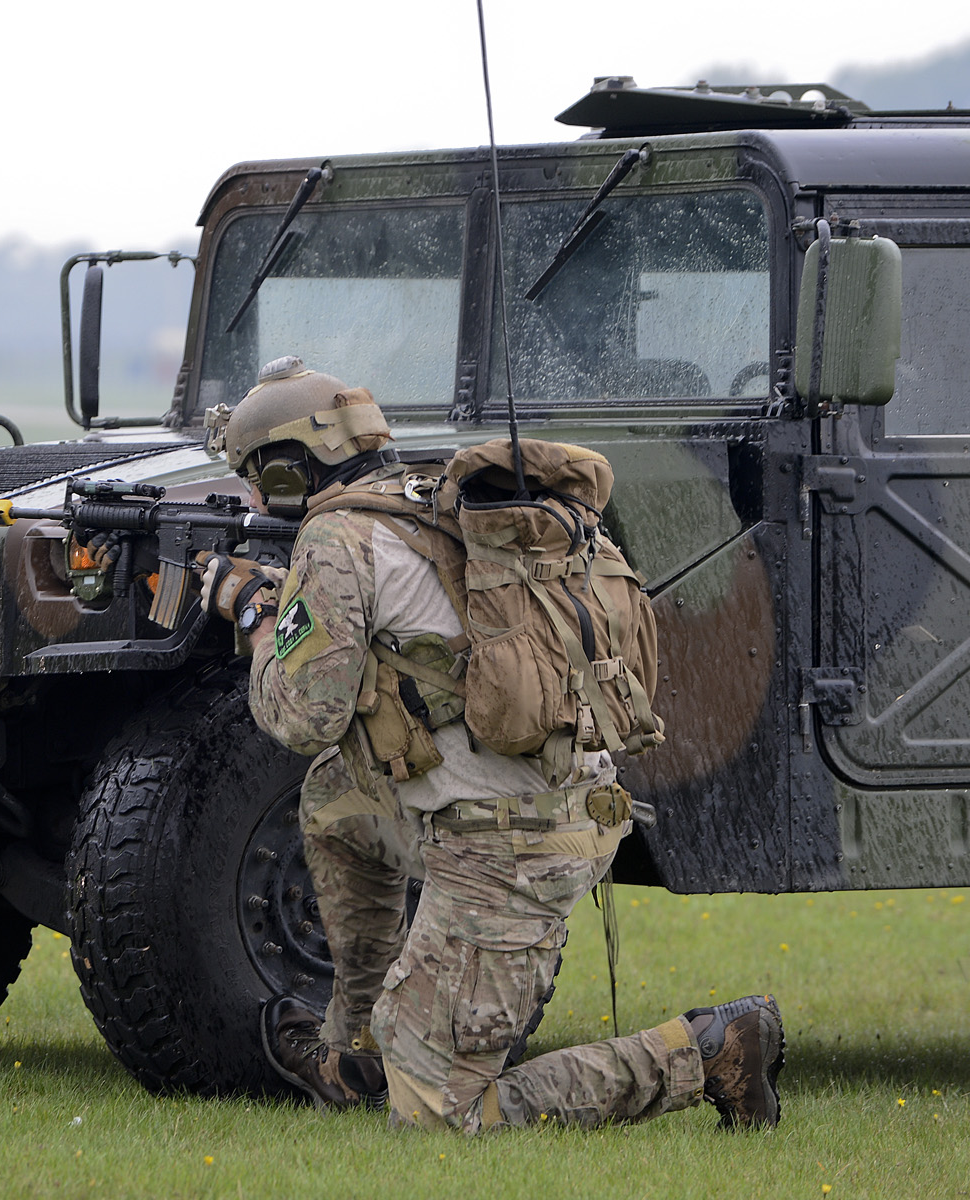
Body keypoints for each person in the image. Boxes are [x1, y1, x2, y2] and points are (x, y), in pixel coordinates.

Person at [200, 356, 785, 1132]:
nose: (249, 497)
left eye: (252, 476)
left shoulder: (339, 536)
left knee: (440, 1116)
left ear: (284, 473)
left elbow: (303, 716)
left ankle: (708, 1050)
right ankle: (363, 1046)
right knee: (335, 799)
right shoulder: (431, 503)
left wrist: (253, 615)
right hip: (559, 807)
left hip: (508, 850)